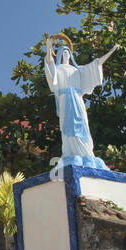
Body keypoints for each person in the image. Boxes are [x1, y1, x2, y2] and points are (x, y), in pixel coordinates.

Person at [44, 36, 118, 171]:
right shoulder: (58, 69)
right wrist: (49, 48)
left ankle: (86, 154)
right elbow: (49, 64)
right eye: (63, 52)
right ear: (60, 55)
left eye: (68, 52)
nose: (66, 54)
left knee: (83, 125)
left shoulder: (77, 70)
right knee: (68, 126)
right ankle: (70, 153)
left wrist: (111, 51)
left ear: (71, 55)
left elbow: (96, 64)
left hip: (77, 100)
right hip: (65, 99)